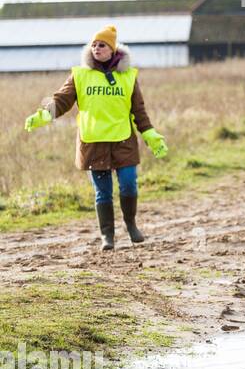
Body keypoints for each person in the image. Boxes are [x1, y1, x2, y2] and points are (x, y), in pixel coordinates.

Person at [23, 25, 168, 250]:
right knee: (103, 192)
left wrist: (149, 133)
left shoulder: (128, 76)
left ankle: (131, 225)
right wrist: (44, 115)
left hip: (123, 140)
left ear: (112, 49)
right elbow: (61, 100)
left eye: (101, 45)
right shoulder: (80, 75)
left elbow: (138, 110)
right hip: (93, 142)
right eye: (93, 45)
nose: (96, 48)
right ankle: (107, 236)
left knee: (129, 184)